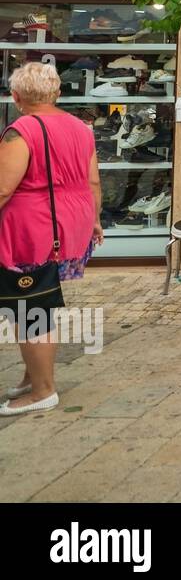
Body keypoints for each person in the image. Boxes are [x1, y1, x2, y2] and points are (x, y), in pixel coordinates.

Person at [0, 62, 102, 416]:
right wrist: (94, 221)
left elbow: (2, 188)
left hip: (32, 227)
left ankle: (42, 390)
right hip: (70, 222)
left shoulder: (21, 130)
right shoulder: (80, 128)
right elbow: (93, 183)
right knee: (38, 297)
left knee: (29, 307)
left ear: (16, 97)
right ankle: (34, 375)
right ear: (58, 92)